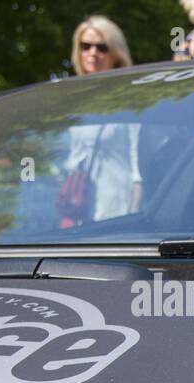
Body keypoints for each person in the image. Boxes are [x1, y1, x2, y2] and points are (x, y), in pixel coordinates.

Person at [59, 16, 141, 227]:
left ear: (116, 53)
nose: (92, 53)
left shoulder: (131, 99)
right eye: (85, 46)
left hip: (117, 207)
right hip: (80, 208)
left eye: (101, 47)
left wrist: (134, 215)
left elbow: (137, 166)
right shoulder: (73, 101)